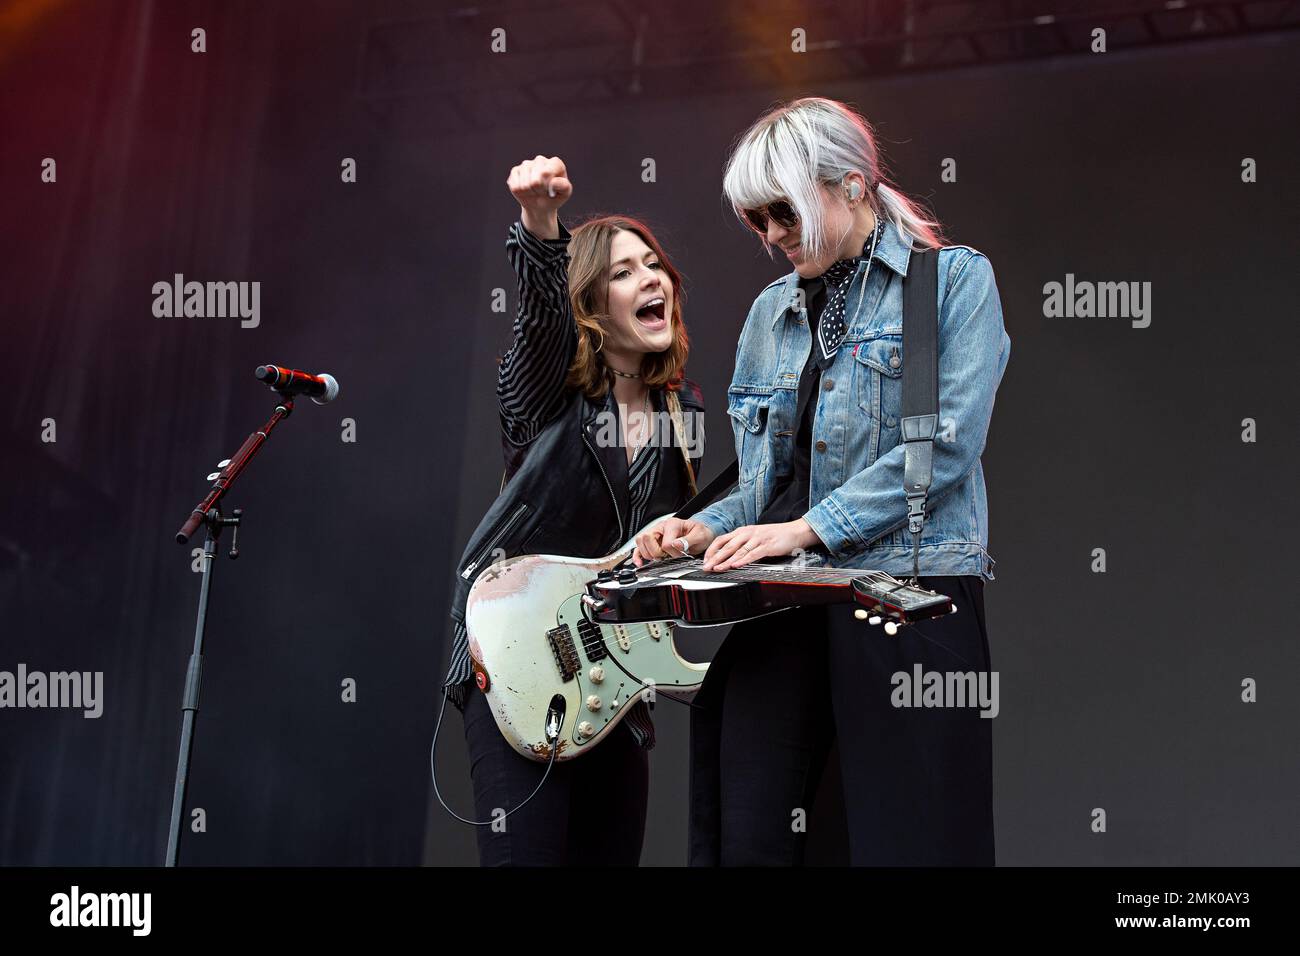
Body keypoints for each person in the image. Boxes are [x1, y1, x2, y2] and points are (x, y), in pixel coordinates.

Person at [635, 98, 1010, 866]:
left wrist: (808, 529)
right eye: (755, 221)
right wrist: (706, 526)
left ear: (851, 186)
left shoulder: (947, 284)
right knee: (755, 835)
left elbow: (939, 447)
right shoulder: (770, 313)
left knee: (908, 840)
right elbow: (769, 483)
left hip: (907, 595)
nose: (770, 237)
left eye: (782, 212)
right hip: (783, 603)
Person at [441, 155, 706, 866]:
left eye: (655, 266)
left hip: (614, 690)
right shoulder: (543, 397)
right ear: (589, 304)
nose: (651, 279)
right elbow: (540, 323)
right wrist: (539, 222)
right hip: (520, 662)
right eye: (623, 272)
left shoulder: (686, 415)